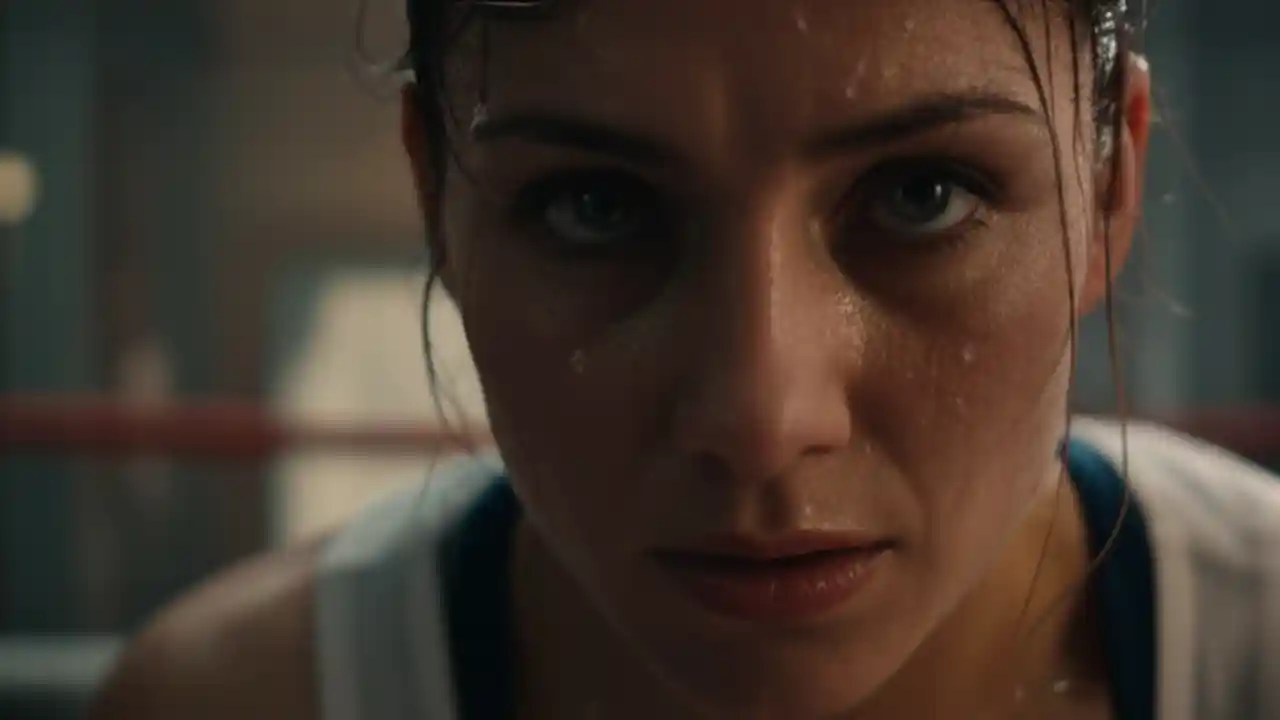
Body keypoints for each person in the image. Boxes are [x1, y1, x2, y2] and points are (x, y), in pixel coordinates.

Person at [90, 1, 1280, 718]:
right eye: (593, 207)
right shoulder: (243, 703)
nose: (761, 414)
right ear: (432, 198)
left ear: (1111, 185)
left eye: (922, 196)